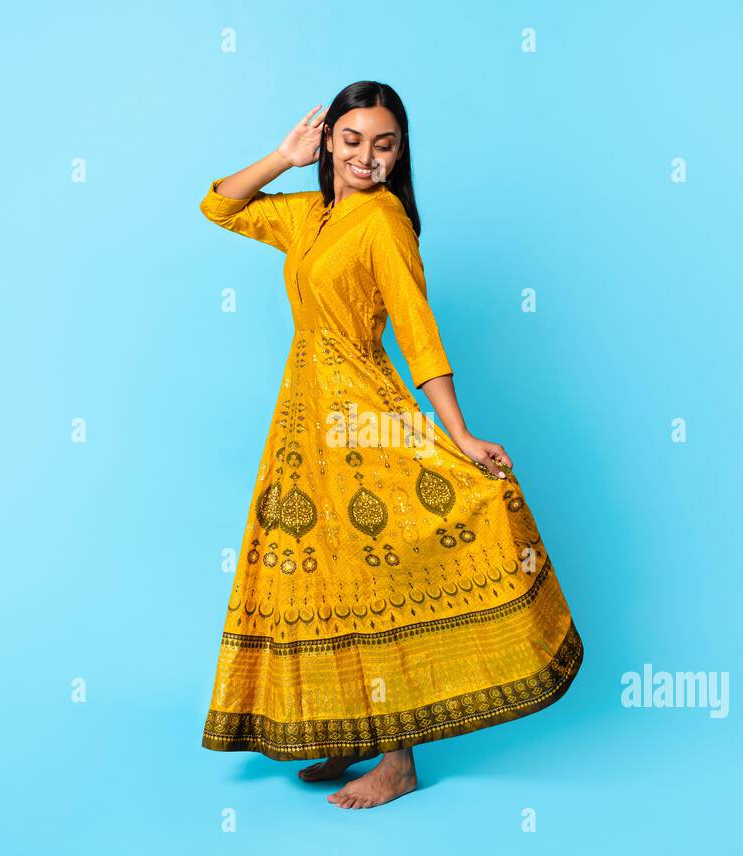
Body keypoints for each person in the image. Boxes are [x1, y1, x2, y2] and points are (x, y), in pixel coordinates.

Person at [198, 81, 583, 809]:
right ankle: (348, 730)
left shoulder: (384, 223)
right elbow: (219, 203)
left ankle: (399, 760)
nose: (367, 157)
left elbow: (418, 330)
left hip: (362, 417)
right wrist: (282, 157)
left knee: (376, 574)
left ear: (401, 151)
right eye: (351, 140)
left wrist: (458, 432)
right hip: (303, 422)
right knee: (322, 570)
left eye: (385, 144)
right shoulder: (311, 214)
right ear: (329, 143)